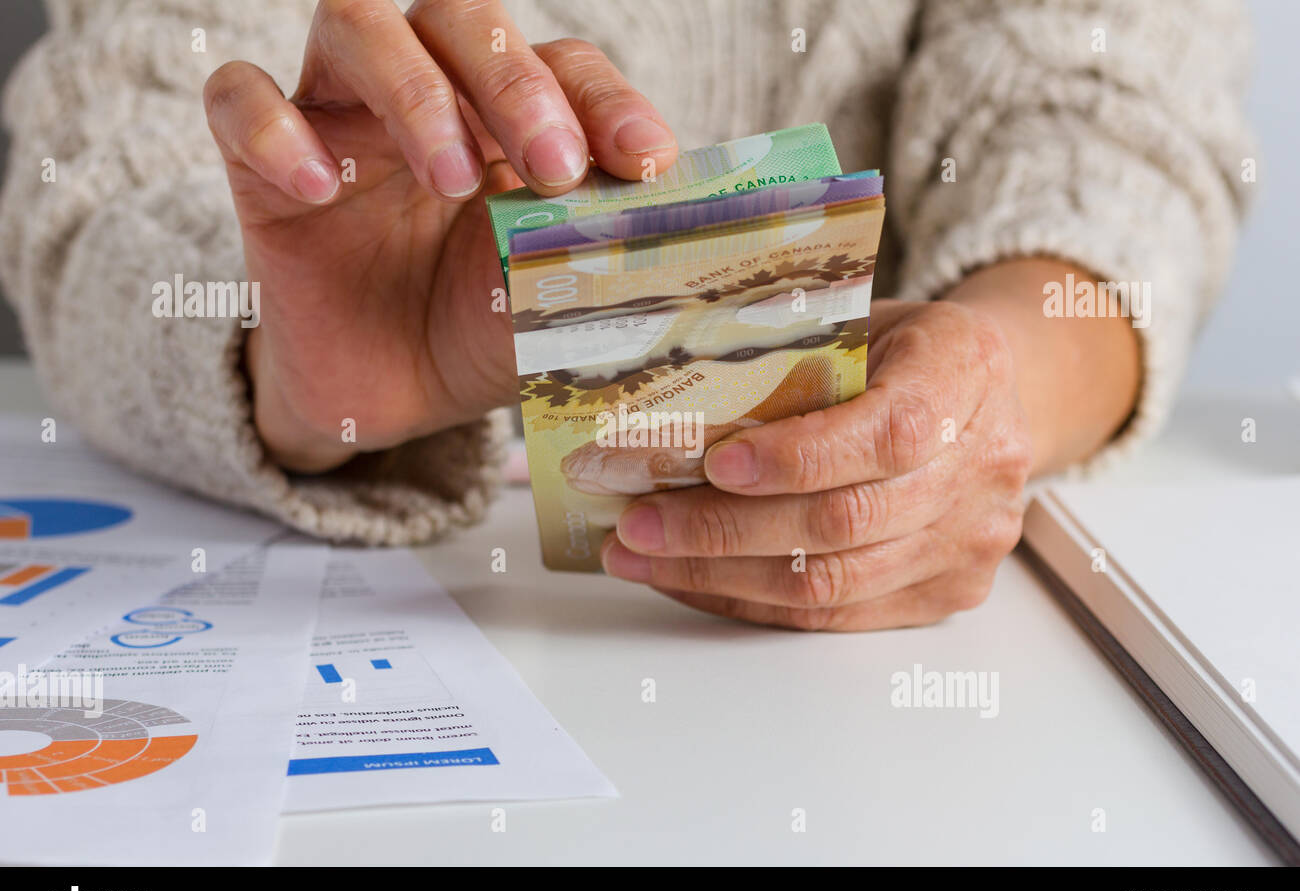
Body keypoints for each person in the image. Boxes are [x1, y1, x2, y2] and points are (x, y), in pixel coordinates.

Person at [0, 0, 1253, 630]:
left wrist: (990, 386)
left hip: (876, 658)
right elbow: (109, 153)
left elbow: (1108, 124)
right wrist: (284, 354)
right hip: (429, 608)